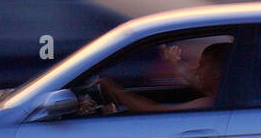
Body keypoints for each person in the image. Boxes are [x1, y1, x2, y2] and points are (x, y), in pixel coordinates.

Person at [98, 41, 231, 113]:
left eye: (201, 65)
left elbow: (153, 112)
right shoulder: (227, 94)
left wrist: (115, 90)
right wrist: (174, 62)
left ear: (215, 73)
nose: (197, 70)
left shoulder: (211, 103)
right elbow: (193, 77)